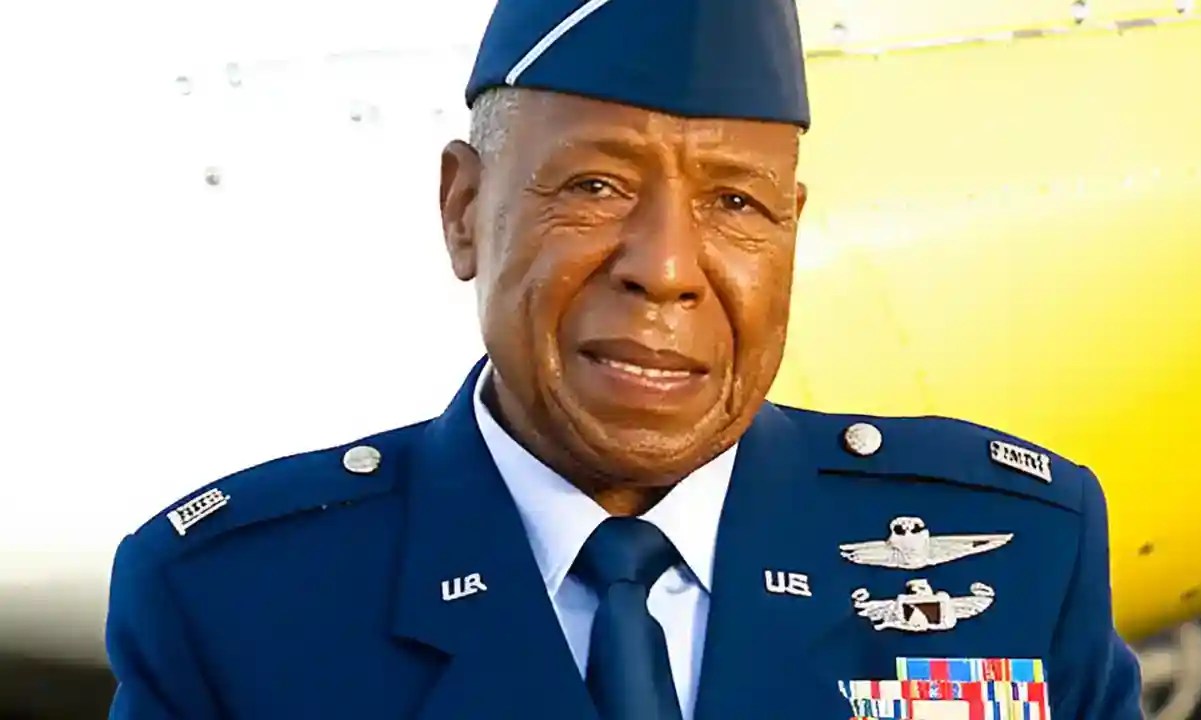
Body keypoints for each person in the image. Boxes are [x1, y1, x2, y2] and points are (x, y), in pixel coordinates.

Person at [104, 0, 1142, 718]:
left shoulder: (1015, 558)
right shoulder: (240, 605)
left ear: (791, 229)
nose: (665, 269)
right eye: (595, 187)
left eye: (735, 203)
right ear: (463, 211)